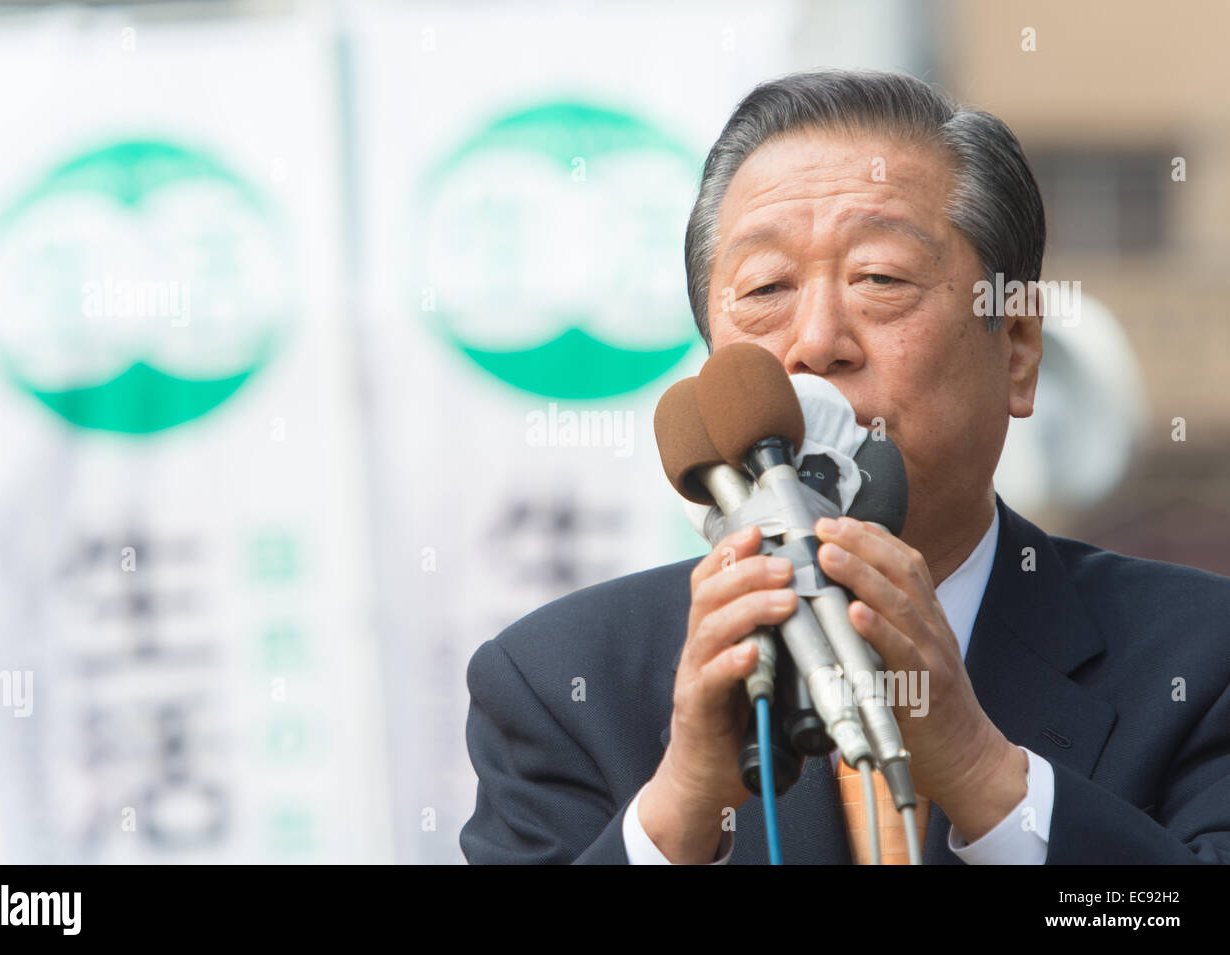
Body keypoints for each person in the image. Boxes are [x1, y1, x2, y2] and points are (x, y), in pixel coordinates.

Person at [459, 70, 1230, 864]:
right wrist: (679, 816)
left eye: (880, 279)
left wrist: (983, 773)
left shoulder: (1203, 659)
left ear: (1018, 351)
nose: (816, 342)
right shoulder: (562, 683)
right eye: (765, 288)